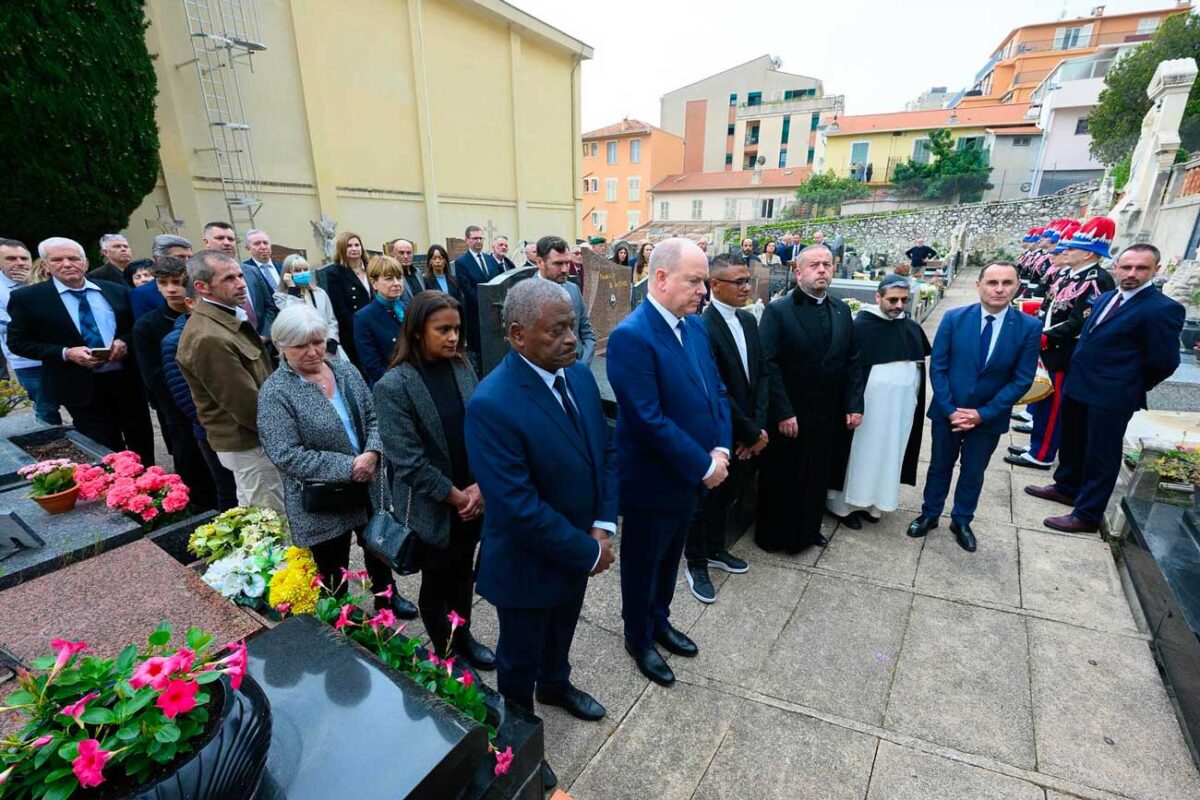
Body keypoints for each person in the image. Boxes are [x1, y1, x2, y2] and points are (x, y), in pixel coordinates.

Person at [465, 278, 616, 791]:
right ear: (517, 334)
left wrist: (603, 525)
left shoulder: (578, 377)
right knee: (518, 657)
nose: (571, 339)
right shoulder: (492, 403)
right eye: (556, 330)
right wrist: (588, 551)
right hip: (528, 562)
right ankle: (519, 736)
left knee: (563, 628)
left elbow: (605, 454)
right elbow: (517, 506)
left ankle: (555, 684)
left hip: (578, 547)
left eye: (572, 325)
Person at [607, 238, 731, 687]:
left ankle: (659, 619)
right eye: (694, 281)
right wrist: (704, 465)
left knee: (670, 558)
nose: (703, 291)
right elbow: (648, 419)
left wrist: (722, 449)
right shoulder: (631, 337)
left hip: (691, 475)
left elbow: (716, 392)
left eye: (704, 281)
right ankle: (637, 637)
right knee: (643, 564)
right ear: (660, 278)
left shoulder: (694, 327)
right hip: (653, 481)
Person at [257, 304, 413, 619]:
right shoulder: (275, 392)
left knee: (379, 544)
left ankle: (387, 596)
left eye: (318, 342)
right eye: (301, 346)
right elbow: (286, 454)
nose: (313, 352)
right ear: (281, 346)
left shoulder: (343, 369)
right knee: (332, 566)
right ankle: (339, 616)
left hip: (368, 481)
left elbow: (374, 416)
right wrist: (350, 467)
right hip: (324, 496)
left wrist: (373, 453)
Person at [1027, 244, 1185, 534]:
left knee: (1101, 455)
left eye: (1141, 268)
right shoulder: (1106, 298)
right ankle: (1066, 487)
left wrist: (1130, 384)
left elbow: (1165, 361)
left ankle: (1087, 514)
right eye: (1126, 267)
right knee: (1073, 443)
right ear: (1116, 267)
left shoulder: (1162, 309)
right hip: (1080, 385)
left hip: (1112, 395)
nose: (1132, 273)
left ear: (1156, 270)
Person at [374, 291, 495, 666]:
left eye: (456, 329)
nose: (453, 337)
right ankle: (445, 651)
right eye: (443, 329)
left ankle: (463, 636)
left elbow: (483, 427)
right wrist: (458, 497)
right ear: (416, 331)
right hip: (434, 507)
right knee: (437, 581)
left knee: (463, 574)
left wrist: (480, 487)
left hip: (472, 499)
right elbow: (408, 461)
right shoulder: (393, 386)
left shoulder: (462, 367)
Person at [908, 262, 1040, 551]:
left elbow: (1021, 379)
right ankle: (930, 513)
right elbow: (938, 367)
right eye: (992, 282)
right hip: (948, 411)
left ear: (1017, 287)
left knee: (974, 470)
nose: (999, 289)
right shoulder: (954, 318)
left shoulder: (1028, 327)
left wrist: (983, 414)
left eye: (1007, 283)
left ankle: (962, 520)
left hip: (989, 416)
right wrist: (950, 409)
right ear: (979, 285)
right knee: (939, 465)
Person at [7, 237, 155, 463]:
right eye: (58, 260)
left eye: (73, 258)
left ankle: (151, 481)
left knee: (141, 440)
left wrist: (124, 341)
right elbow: (18, 342)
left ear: (85, 263)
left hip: (126, 381)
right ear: (46, 265)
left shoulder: (116, 291)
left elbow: (137, 328)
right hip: (79, 386)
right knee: (103, 449)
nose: (67, 264)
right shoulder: (28, 298)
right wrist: (66, 352)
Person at [757, 244, 864, 552]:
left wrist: (854, 404)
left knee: (817, 474)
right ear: (798, 270)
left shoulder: (841, 309)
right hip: (791, 412)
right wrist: (783, 411)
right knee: (785, 475)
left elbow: (852, 360)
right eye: (814, 264)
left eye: (827, 265)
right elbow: (768, 364)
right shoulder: (779, 311)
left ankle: (809, 529)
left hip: (827, 412)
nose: (822, 270)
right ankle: (776, 536)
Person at [176, 250, 284, 510]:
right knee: (272, 518)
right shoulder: (209, 336)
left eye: (240, 275)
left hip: (256, 439)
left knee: (258, 512)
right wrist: (285, 433)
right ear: (202, 287)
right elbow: (245, 404)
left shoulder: (225, 318)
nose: (241, 283)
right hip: (250, 443)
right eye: (229, 278)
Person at [686, 255, 766, 604]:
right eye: (739, 282)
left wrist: (757, 428)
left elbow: (761, 374)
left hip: (749, 431)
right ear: (715, 285)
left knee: (728, 494)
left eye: (748, 280)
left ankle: (716, 549)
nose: (747, 287)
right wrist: (748, 431)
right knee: (705, 500)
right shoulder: (702, 326)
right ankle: (696, 562)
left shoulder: (748, 319)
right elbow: (715, 387)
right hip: (720, 430)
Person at [1007, 218, 1115, 470]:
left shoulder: (1097, 280)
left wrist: (1045, 336)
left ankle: (1042, 454)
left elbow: (1080, 322)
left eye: (1071, 248)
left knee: (1053, 406)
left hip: (1064, 351)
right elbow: (1052, 308)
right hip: (1051, 347)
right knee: (1043, 400)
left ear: (1088, 253)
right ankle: (1036, 446)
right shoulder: (1072, 276)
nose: (1064, 251)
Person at [827, 274, 930, 527]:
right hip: (868, 408)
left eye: (904, 300)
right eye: (892, 300)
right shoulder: (860, 327)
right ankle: (844, 508)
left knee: (889, 453)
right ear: (878, 297)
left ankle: (874, 504)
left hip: (900, 409)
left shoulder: (911, 328)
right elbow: (848, 371)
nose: (899, 305)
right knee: (860, 454)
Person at [131, 256, 217, 509]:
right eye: (163, 283)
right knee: (192, 465)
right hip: (179, 411)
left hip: (215, 407)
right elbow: (154, 377)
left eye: (178, 282)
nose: (171, 289)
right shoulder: (147, 326)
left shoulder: (208, 317)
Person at [162, 285, 238, 511]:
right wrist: (221, 419)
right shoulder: (176, 341)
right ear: (190, 303)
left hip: (239, 424)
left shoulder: (230, 327)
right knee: (229, 490)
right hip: (214, 428)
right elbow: (184, 395)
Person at [0, 238, 61, 424]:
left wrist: (33, 284)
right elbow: (6, 325)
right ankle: (52, 440)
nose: (19, 263)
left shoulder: (45, 279)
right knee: (46, 408)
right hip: (28, 361)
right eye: (11, 258)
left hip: (60, 353)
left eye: (24, 258)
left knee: (79, 402)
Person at [203, 221, 276, 342]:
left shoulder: (252, 271)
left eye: (231, 239)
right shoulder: (202, 276)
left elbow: (269, 306)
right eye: (220, 238)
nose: (227, 243)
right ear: (206, 242)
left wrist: (265, 335)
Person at [532, 235, 596, 365]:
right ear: (539, 262)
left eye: (567, 263)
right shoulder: (526, 294)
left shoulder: (573, 289)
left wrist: (582, 365)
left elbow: (588, 334)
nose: (565, 269)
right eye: (558, 263)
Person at [273, 254, 344, 359]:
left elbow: (331, 320)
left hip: (327, 348)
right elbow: (293, 318)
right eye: (297, 270)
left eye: (305, 270)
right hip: (304, 351)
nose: (303, 273)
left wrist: (332, 341)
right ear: (287, 275)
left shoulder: (320, 293)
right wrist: (292, 289)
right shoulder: (280, 297)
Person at [320, 231, 373, 369]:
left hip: (375, 323)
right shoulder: (335, 273)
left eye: (357, 245)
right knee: (364, 368)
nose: (354, 249)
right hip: (353, 330)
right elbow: (340, 307)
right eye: (349, 246)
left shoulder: (371, 267)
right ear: (342, 249)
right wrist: (360, 327)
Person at [354, 255, 409, 386]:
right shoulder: (363, 318)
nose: (396, 283)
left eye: (399, 278)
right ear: (374, 283)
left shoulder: (409, 308)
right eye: (389, 279)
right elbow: (372, 365)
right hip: (390, 385)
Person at [455, 225, 498, 370]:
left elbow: (496, 282)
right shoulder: (462, 262)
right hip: (476, 314)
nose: (478, 241)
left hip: (494, 313)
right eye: (474, 238)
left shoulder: (490, 259)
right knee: (479, 351)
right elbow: (467, 289)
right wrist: (485, 304)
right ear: (467, 240)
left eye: (480, 238)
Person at [131, 234, 193, 319]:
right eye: (180, 257)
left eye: (189, 257)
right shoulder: (142, 294)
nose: (187, 262)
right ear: (157, 258)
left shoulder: (199, 286)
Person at [242, 229, 282, 300]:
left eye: (266, 243)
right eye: (257, 244)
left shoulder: (282, 267)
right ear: (248, 248)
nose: (263, 247)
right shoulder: (244, 270)